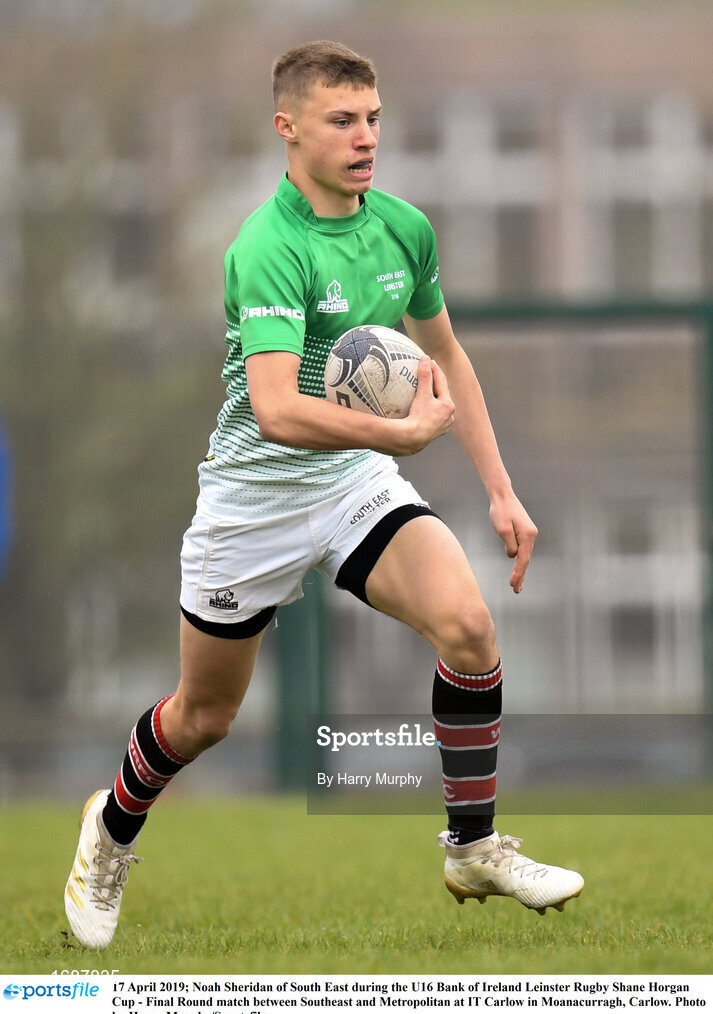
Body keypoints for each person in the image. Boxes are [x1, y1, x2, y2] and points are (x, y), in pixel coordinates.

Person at [64, 40, 583, 949]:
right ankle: (109, 828)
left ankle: (472, 848)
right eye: (342, 120)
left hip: (350, 481)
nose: (365, 136)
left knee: (467, 625)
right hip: (251, 504)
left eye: (373, 118)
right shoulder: (265, 248)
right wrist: (399, 434)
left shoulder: (403, 229)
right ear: (289, 128)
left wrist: (500, 490)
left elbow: (446, 354)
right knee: (205, 717)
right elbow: (273, 410)